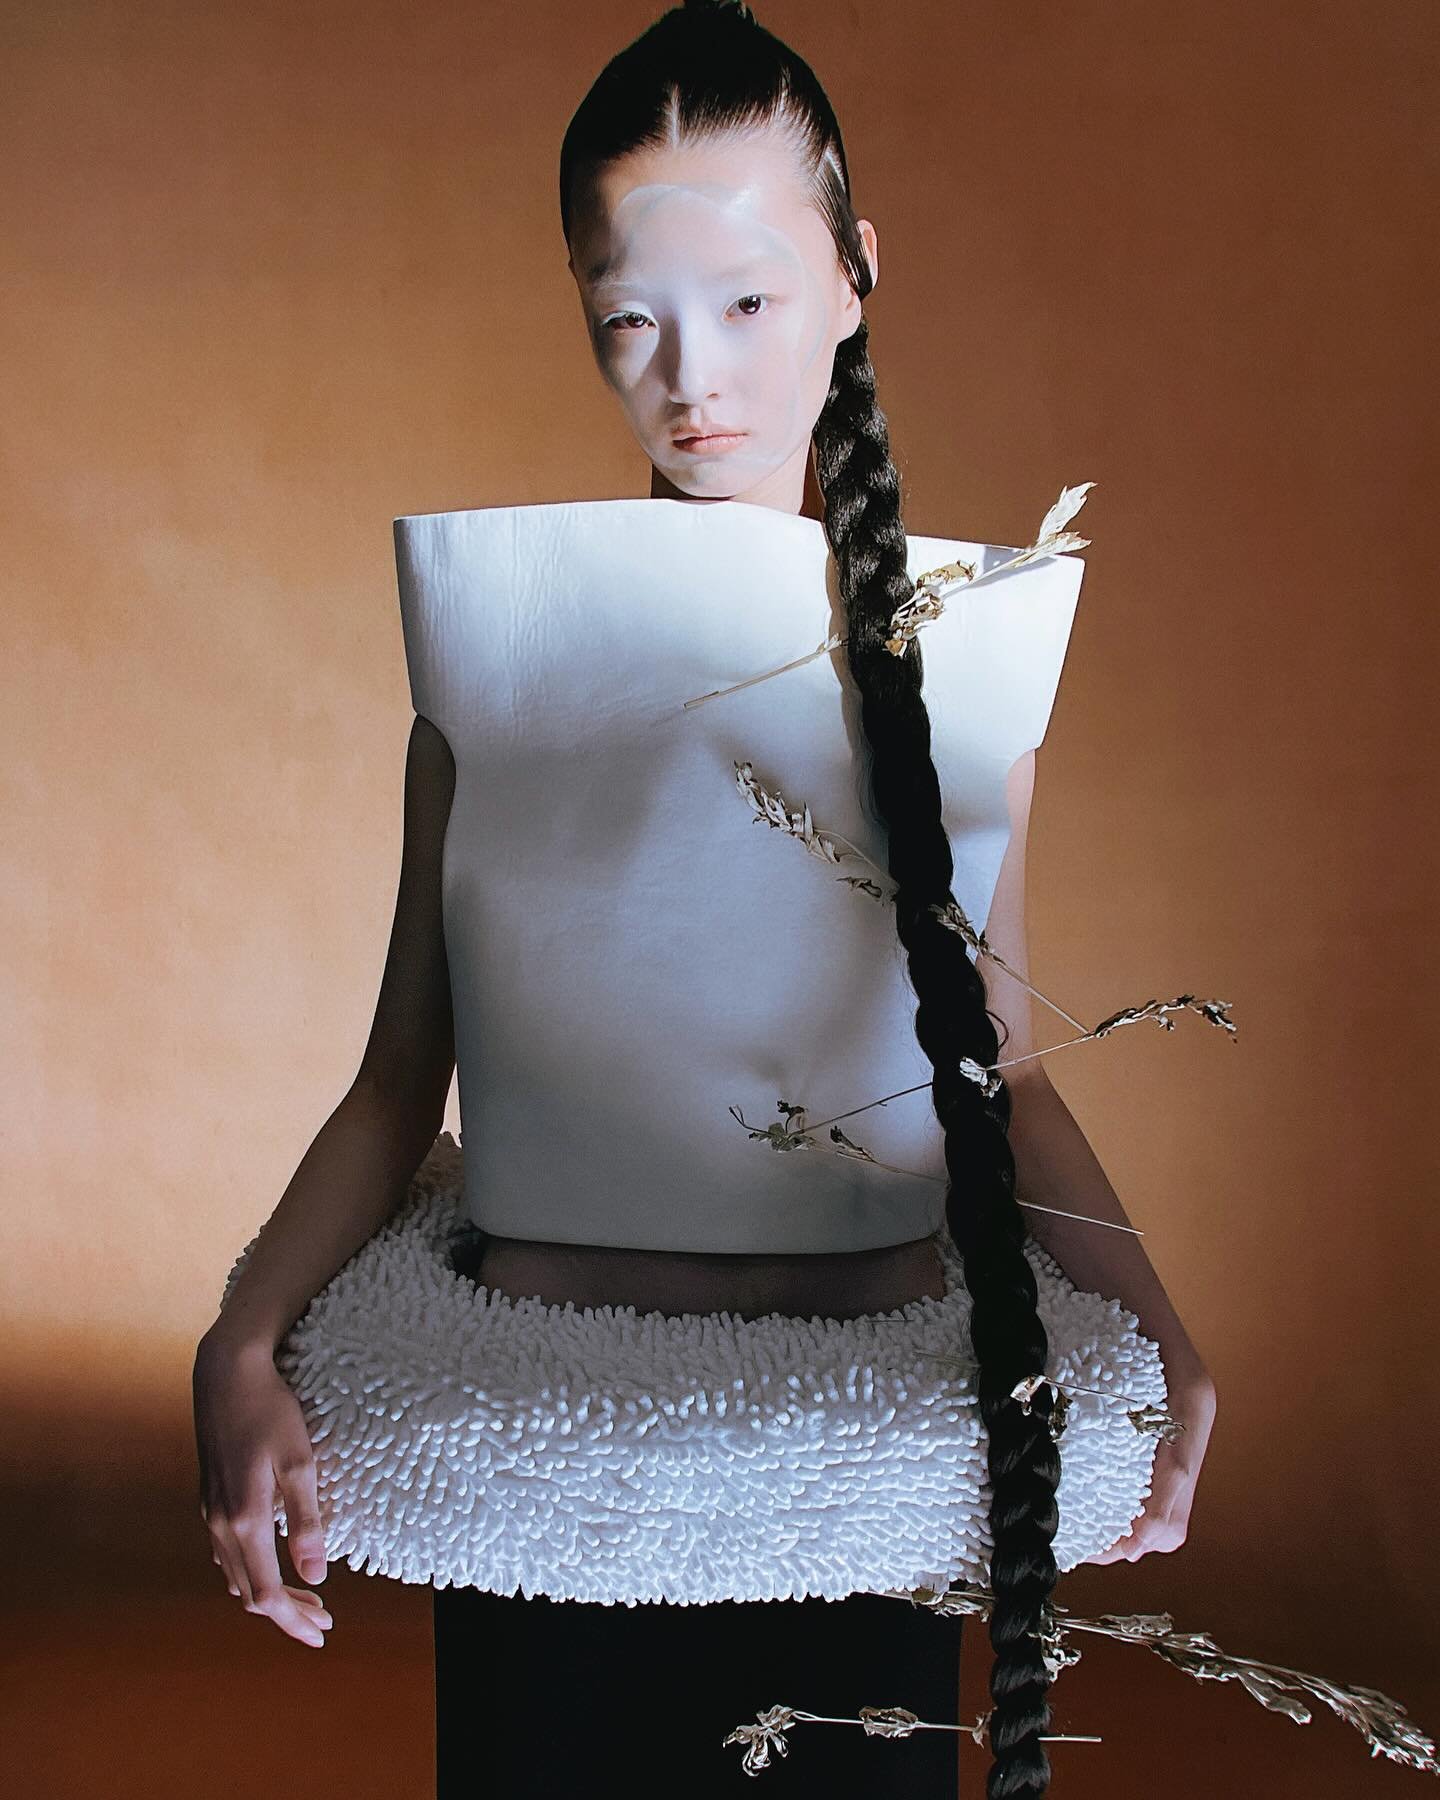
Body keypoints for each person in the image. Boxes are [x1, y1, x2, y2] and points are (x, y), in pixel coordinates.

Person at [192, 3, 1217, 1794]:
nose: (694, 378)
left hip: (858, 1476)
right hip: (542, 1469)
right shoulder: (497, 654)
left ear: (854, 275)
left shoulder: (965, 671)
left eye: (748, 300)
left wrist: (1166, 1336)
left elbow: (1003, 1077)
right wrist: (239, 1339)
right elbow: (397, 1081)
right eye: (630, 316)